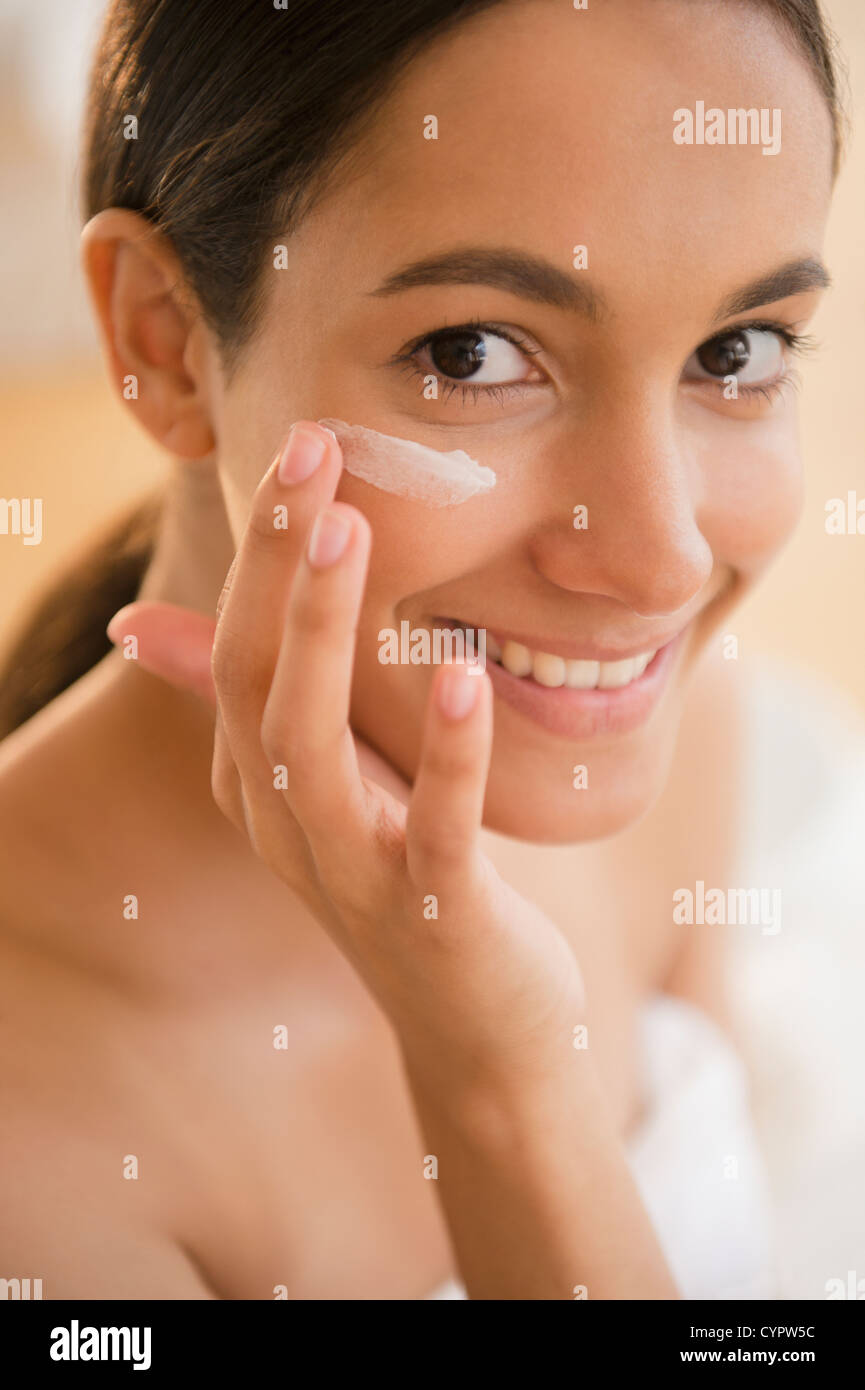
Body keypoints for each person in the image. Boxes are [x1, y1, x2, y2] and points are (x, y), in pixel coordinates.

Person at [0, 0, 844, 1299]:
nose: (661, 562)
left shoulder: (675, 740)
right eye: (474, 353)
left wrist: (507, 1073)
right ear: (164, 341)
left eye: (735, 352)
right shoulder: (32, 1135)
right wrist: (499, 1092)